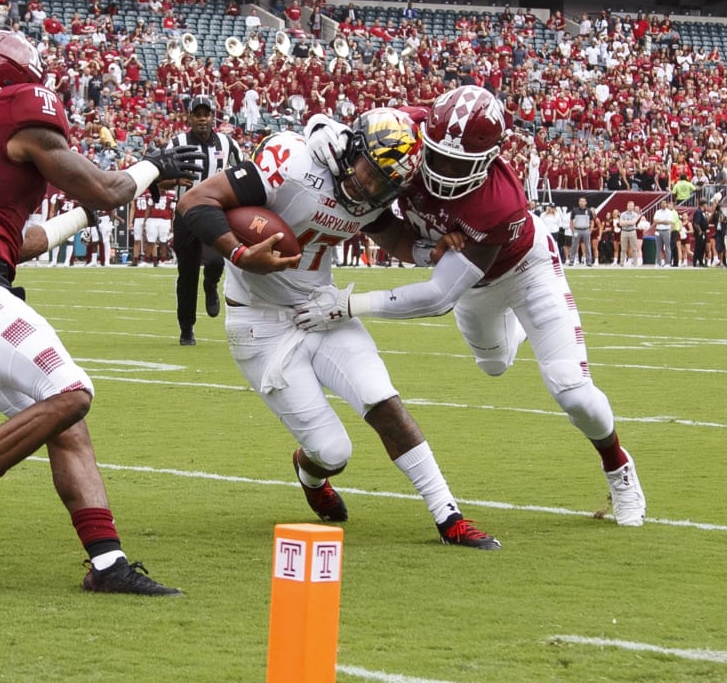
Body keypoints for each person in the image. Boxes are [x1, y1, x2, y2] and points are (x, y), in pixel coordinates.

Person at [0, 30, 203, 593]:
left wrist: (82, 218)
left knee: (63, 420)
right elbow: (105, 188)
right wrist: (151, 167)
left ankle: (107, 565)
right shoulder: (16, 111)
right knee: (72, 391)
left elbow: (15, 242)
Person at [299, 88, 646, 528]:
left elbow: (439, 296)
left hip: (524, 269)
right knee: (495, 365)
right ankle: (520, 330)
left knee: (571, 390)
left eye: (457, 165)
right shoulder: (407, 128)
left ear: (489, 159)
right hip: (477, 288)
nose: (443, 171)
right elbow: (341, 132)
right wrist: (319, 130)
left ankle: (618, 467)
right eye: (438, 156)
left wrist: (349, 304)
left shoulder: (500, 202)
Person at [177, 107, 500, 549]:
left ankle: (449, 516)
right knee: (333, 453)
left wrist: (431, 251)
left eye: (382, 184)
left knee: (382, 398)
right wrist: (237, 254)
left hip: (321, 308)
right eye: (368, 171)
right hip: (260, 323)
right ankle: (310, 472)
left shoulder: (377, 195)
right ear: (352, 147)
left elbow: (390, 235)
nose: (368, 186)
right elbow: (194, 201)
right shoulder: (292, 163)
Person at [169, 94, 242, 345]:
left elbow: (243, 171)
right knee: (187, 273)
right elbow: (160, 176)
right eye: (197, 114)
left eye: (206, 114)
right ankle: (186, 328)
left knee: (215, 260)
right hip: (185, 213)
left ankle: (211, 285)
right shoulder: (177, 142)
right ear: (189, 117)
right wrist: (176, 180)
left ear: (213, 117)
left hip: (214, 210)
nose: (202, 119)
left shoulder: (227, 143)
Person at [568, 196, 594, 266]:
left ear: (586, 202)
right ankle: (571, 261)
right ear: (578, 202)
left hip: (586, 230)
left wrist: (590, 230)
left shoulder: (589, 211)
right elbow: (571, 220)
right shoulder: (575, 210)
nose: (581, 202)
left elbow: (592, 221)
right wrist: (572, 229)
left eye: (583, 201)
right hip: (577, 229)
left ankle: (588, 261)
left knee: (587, 246)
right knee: (574, 246)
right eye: (580, 201)